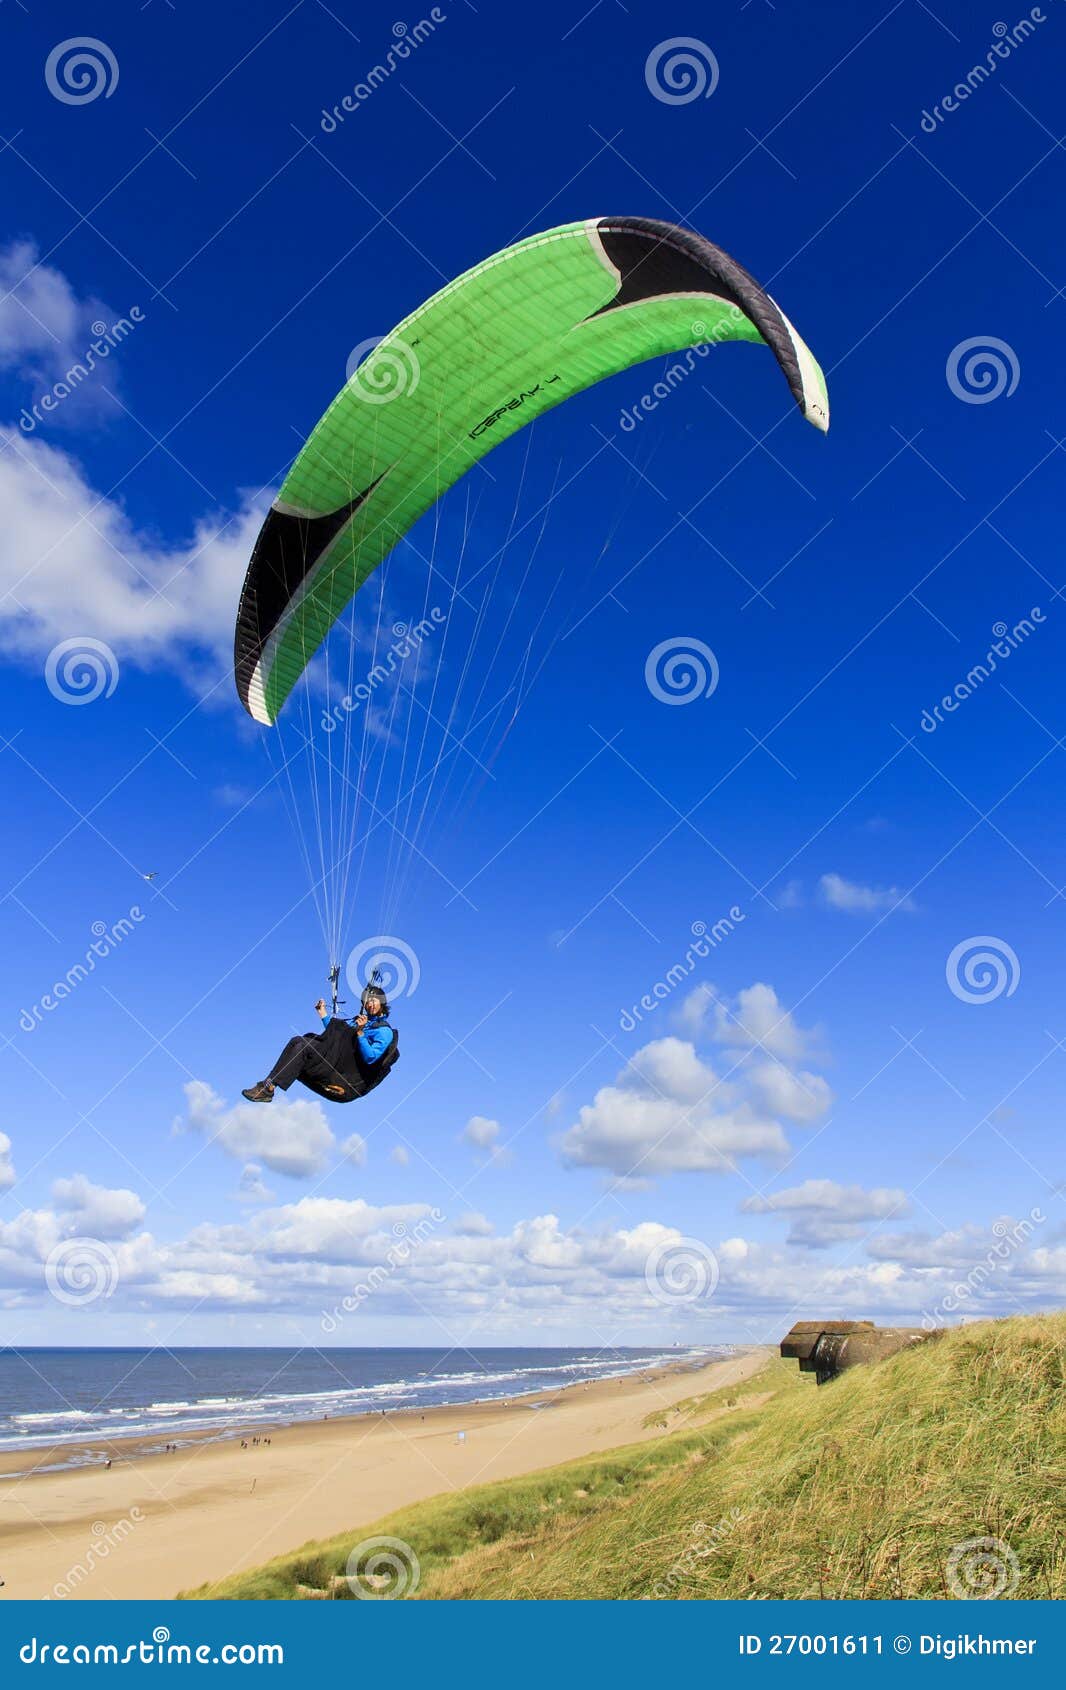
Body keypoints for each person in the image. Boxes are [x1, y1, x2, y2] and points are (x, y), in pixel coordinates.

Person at [242, 984, 397, 1103]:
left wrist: (361, 1033)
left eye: (373, 1000)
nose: (369, 1005)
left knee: (304, 1047)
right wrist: (322, 1013)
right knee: (297, 1041)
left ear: (382, 1002)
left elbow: (371, 1057)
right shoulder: (360, 1020)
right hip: (333, 1059)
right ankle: (268, 1086)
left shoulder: (383, 1031)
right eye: (366, 1002)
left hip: (344, 1075)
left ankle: (268, 1089)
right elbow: (335, 1036)